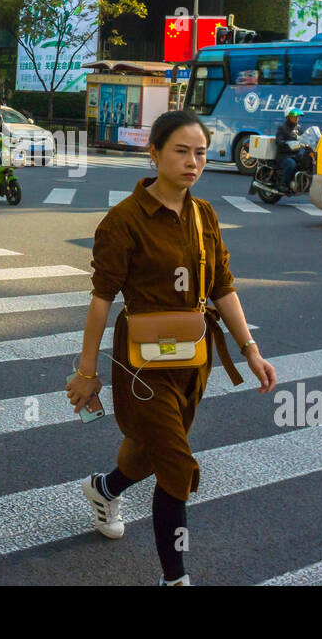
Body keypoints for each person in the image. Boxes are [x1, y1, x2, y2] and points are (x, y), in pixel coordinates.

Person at [69, 109, 277, 585]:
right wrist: (86, 372)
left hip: (192, 357)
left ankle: (104, 488)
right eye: (181, 152)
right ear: (155, 154)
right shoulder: (123, 221)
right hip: (142, 364)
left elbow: (222, 287)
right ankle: (175, 579)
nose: (192, 162)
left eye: (200, 153)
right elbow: (102, 299)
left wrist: (250, 349)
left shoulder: (204, 215)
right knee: (177, 466)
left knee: (153, 451)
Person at [274, 108, 310, 191]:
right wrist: (287, 143)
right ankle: (282, 184)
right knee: (291, 164)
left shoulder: (298, 128)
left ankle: (301, 182)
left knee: (306, 161)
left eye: (297, 116)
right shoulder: (282, 128)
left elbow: (304, 138)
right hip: (283, 155)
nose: (296, 118)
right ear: (288, 117)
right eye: (294, 116)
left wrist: (309, 142)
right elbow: (278, 141)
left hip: (295, 155)